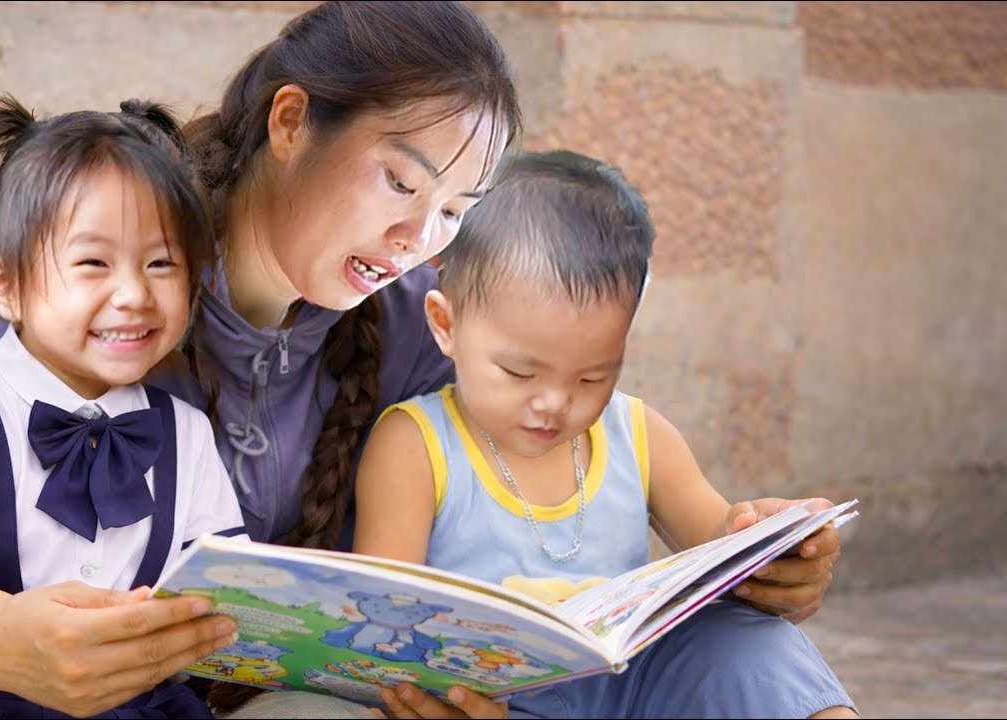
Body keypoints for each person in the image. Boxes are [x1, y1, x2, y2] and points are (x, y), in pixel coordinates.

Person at [0, 2, 523, 718]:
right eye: (400, 182)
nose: (415, 239)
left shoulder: (427, 328)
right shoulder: (84, 291)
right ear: (291, 122)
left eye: (454, 210)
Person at [351, 150, 857, 719]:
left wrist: (767, 543)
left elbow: (718, 544)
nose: (554, 403)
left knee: (751, 640)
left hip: (631, 693)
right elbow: (383, 616)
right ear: (446, 324)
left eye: (592, 376)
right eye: (519, 372)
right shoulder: (415, 444)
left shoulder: (638, 434)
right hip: (493, 700)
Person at [0, 94, 253, 718]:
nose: (133, 293)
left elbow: (218, 600)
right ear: (5, 284)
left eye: (161, 263)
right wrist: (55, 648)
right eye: (93, 262)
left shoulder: (187, 433)